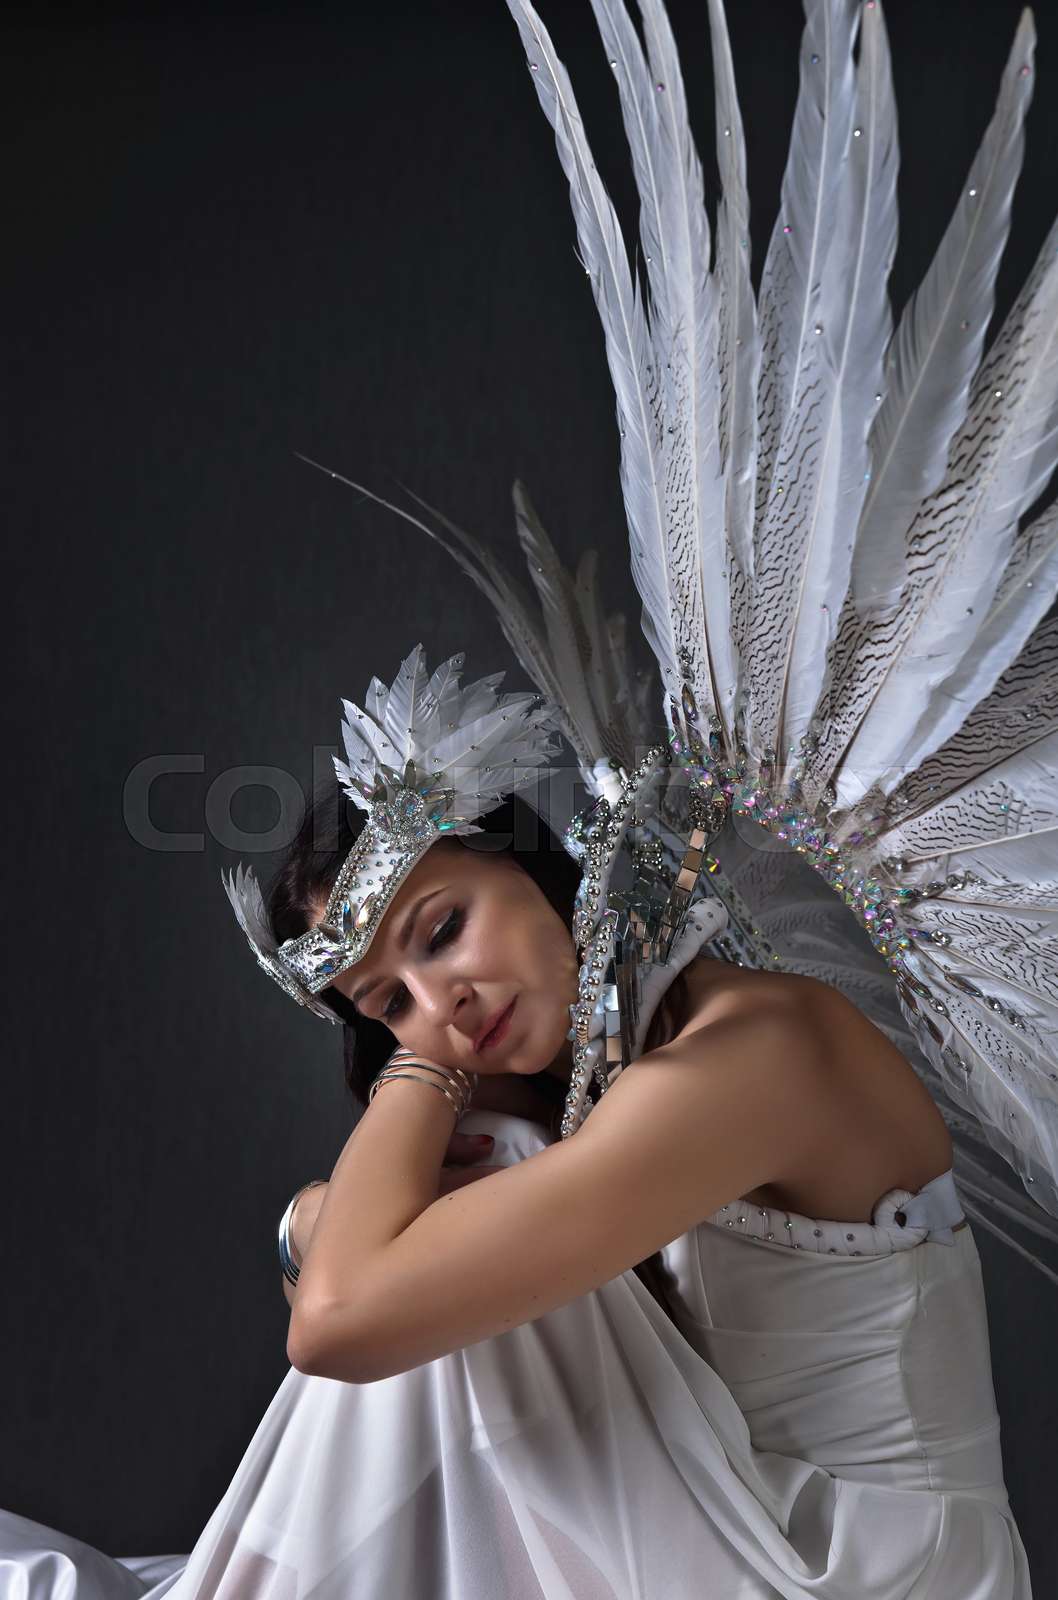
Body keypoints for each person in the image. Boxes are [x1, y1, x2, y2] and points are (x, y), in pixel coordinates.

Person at [5, 0, 1056, 1591]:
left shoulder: (753, 1051)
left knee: (436, 1256)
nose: (438, 1002)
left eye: (440, 929)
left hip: (859, 1575)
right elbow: (342, 1261)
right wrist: (396, 1136)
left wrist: (407, 1089)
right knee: (458, 1227)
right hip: (718, 1531)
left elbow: (344, 1310)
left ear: (536, 866)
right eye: (382, 997)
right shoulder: (624, 1081)